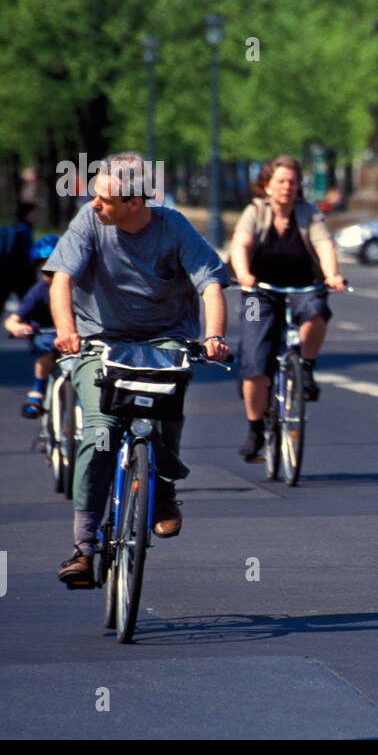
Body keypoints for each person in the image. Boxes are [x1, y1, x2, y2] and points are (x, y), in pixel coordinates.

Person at [46, 153, 231, 587]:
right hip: (100, 343)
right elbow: (61, 280)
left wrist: (214, 337)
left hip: (163, 339)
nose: (95, 204)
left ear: (135, 202)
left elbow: (210, 283)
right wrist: (67, 332)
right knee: (101, 431)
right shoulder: (88, 222)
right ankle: (84, 547)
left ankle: (163, 492)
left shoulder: (173, 226)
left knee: (166, 407)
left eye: (105, 198)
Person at [230, 155, 346, 461]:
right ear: (267, 185)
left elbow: (324, 245)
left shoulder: (308, 213)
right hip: (261, 290)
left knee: (316, 312)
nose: (287, 187)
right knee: (254, 364)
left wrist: (332, 274)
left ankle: (306, 368)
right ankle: (255, 429)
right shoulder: (255, 211)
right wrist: (243, 275)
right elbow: (240, 245)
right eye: (281, 181)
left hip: (302, 286)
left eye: (293, 182)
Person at [4, 234, 59, 418]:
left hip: (73, 337)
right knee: (47, 350)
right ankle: (38, 390)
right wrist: (17, 328)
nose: (49, 274)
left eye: (54, 267)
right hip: (46, 335)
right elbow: (12, 320)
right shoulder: (38, 291)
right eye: (43, 268)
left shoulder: (77, 287)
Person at [0, 201, 37, 357]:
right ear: (27, 214)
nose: (37, 216)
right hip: (20, 278)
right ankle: (38, 343)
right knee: (31, 310)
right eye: (34, 212)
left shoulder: (12, 230)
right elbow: (28, 257)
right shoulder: (24, 231)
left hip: (3, 276)